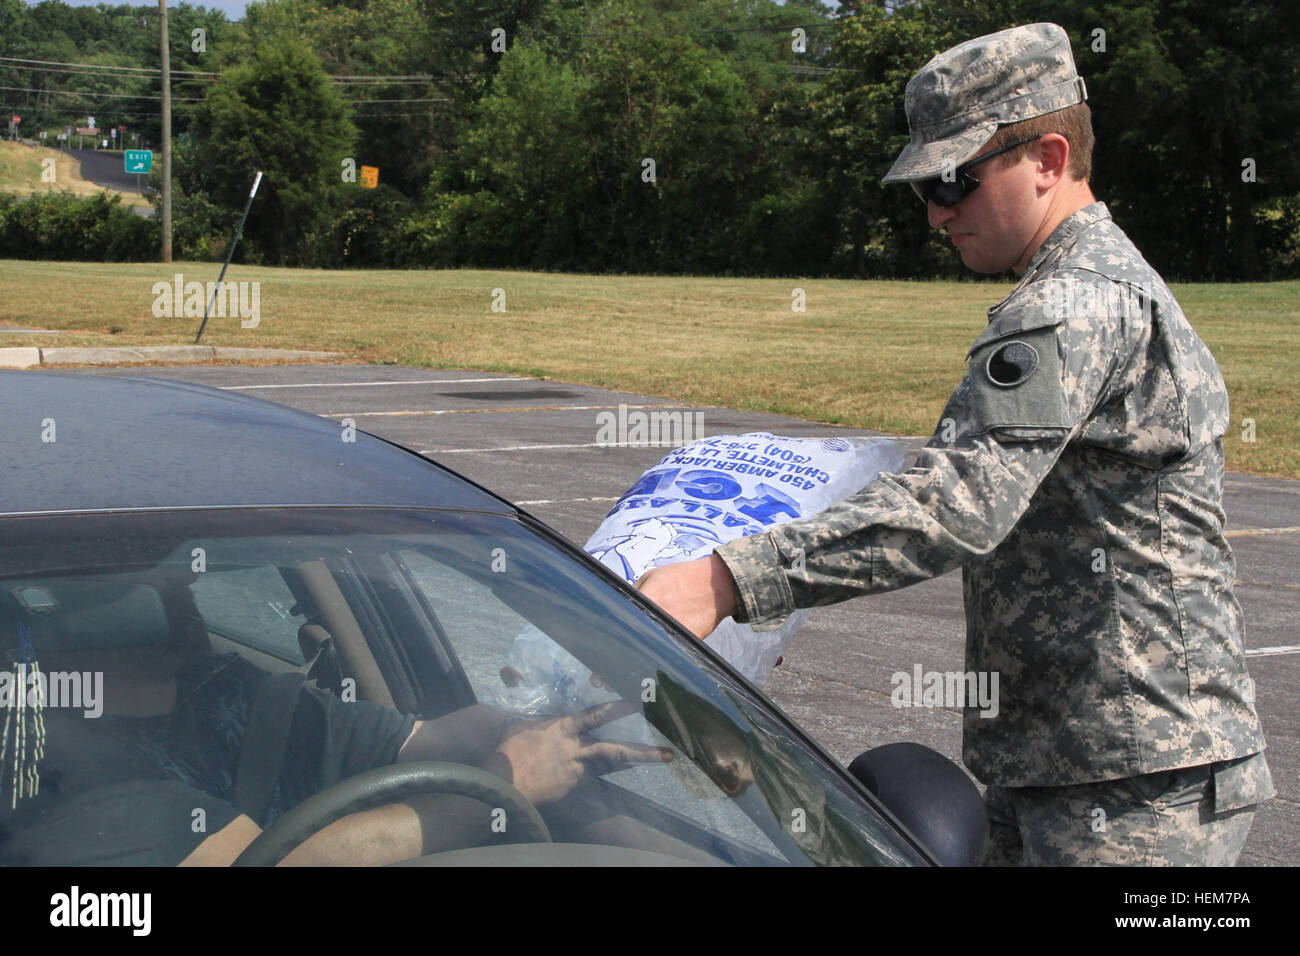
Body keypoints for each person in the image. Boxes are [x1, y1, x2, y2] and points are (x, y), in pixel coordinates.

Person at [637, 22, 1274, 866]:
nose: (937, 213)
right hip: (1080, 758)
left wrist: (724, 578)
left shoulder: (1074, 305)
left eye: (954, 181)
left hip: (1132, 782)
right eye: (924, 191)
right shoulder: (1081, 289)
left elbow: (955, 505)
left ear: (1048, 158)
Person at [0, 648, 670, 866]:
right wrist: (503, 780)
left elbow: (416, 742)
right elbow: (279, 863)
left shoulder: (232, 690)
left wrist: (534, 726)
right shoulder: (39, 762)